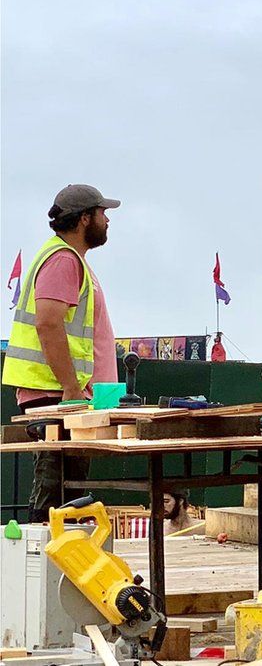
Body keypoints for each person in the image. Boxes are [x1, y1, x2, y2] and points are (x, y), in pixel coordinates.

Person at [2, 184, 120, 522]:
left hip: (67, 396)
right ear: (85, 219)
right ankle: (44, 566)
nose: (107, 220)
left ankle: (58, 566)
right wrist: (70, 389)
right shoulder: (62, 260)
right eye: (102, 213)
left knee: (67, 497)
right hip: (55, 396)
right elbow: (48, 324)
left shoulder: (71, 260)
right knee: (56, 495)